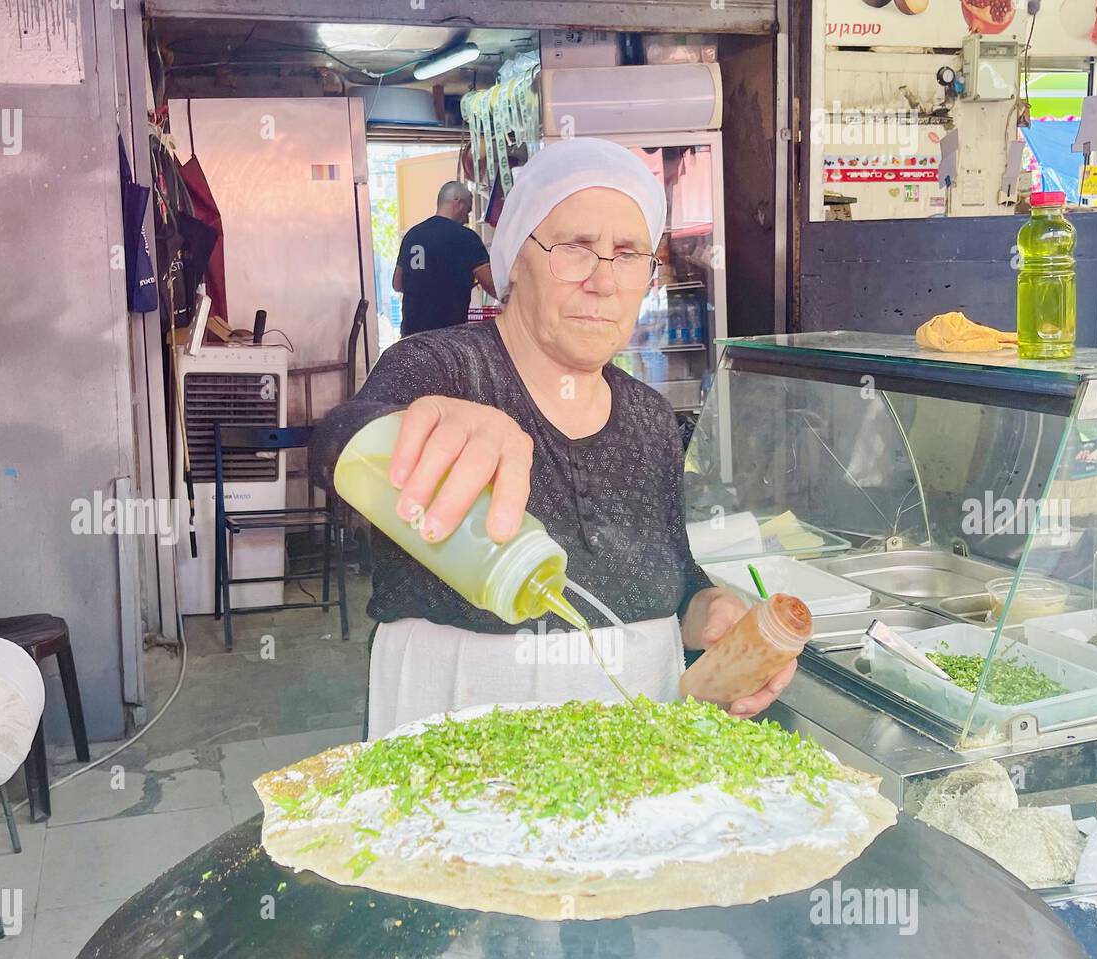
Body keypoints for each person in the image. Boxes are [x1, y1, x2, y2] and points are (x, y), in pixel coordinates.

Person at [315, 139, 796, 739]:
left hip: (634, 731)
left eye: (627, 255)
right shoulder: (441, 368)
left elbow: (673, 572)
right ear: (515, 258)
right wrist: (430, 423)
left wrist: (710, 612)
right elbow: (337, 442)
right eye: (575, 248)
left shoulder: (648, 416)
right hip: (460, 724)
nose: (603, 281)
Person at [392, 181, 496, 336]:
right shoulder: (466, 238)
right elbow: (492, 286)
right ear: (458, 202)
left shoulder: (412, 235)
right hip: (447, 340)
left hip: (411, 337)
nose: (467, 220)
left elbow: (397, 284)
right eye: (467, 211)